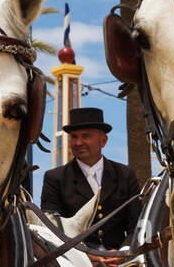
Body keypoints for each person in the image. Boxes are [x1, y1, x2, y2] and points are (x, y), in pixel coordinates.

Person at [40, 106, 141, 250]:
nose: (78, 143)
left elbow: (137, 223)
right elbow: (51, 229)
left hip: (122, 261)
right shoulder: (55, 178)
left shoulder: (125, 174)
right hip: (77, 262)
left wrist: (123, 253)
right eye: (74, 137)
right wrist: (88, 256)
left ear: (103, 141)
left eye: (85, 136)